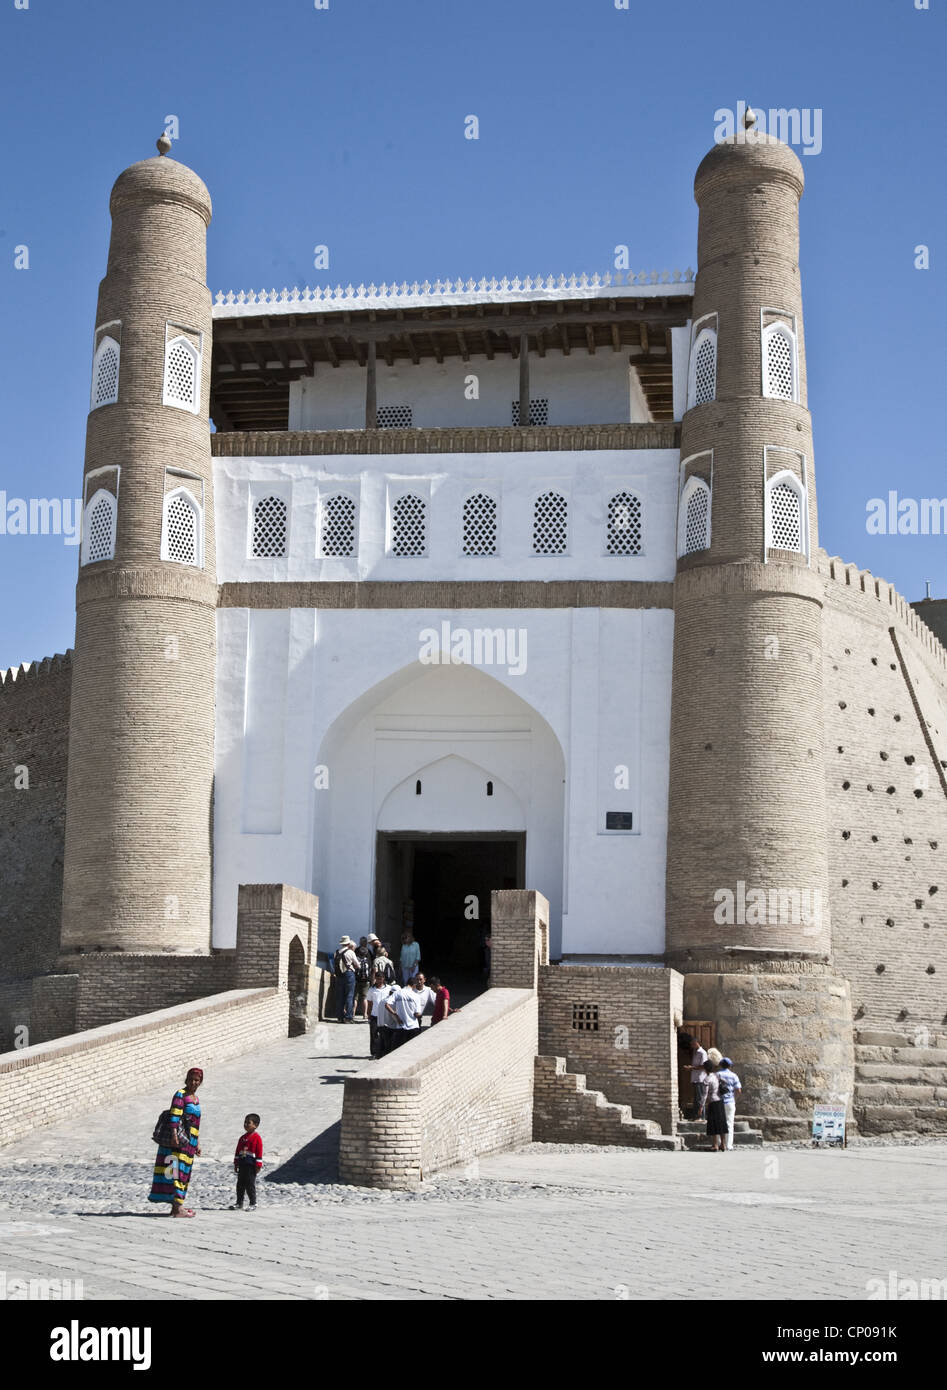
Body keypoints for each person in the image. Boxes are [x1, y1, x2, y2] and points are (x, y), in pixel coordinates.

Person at [149, 1066, 203, 1217]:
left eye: (197, 1080)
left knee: (184, 1174)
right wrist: (174, 1136)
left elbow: (196, 1123)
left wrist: (197, 1143)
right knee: (175, 1173)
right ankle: (178, 1208)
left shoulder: (196, 1099)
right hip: (178, 1142)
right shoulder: (180, 1094)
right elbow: (175, 1115)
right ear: (186, 1079)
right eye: (191, 1079)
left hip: (190, 1144)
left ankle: (176, 1207)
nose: (194, 1083)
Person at [231, 1113, 263, 1211]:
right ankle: (239, 1202)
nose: (245, 1125)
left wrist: (258, 1165)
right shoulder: (242, 1138)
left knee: (250, 1185)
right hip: (242, 1164)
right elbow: (237, 1151)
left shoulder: (257, 1138)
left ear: (255, 1125)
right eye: (245, 1122)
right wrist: (236, 1163)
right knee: (240, 1184)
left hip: (251, 1165)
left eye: (248, 1123)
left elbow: (259, 1152)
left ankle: (253, 1203)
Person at [698, 1060, 727, 1152]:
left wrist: (701, 1106)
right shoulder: (716, 1076)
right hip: (720, 1101)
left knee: (713, 1123)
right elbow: (725, 1082)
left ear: (705, 1069)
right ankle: (723, 1144)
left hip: (713, 1103)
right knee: (721, 1122)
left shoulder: (707, 1079)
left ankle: (715, 1145)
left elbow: (704, 1094)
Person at [716, 1057, 743, 1151]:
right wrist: (734, 1098)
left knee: (719, 1123)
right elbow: (738, 1090)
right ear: (730, 1066)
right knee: (729, 1123)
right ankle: (728, 1145)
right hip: (730, 1102)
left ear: (720, 1065)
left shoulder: (717, 1074)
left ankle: (720, 1143)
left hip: (719, 1102)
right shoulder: (734, 1076)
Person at [367, 968, 395, 1058]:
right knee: (374, 1034)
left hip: (385, 1015)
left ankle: (384, 1051)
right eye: (377, 978)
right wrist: (369, 1015)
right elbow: (370, 1003)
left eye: (381, 978)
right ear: (375, 978)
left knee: (385, 1034)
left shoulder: (389, 989)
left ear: (384, 978)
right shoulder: (372, 990)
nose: (379, 980)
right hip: (375, 1015)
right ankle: (374, 1053)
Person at [385, 979, 422, 1046]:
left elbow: (387, 1005)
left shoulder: (397, 993)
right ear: (414, 985)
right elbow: (417, 1013)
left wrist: (395, 1015)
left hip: (400, 1027)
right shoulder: (416, 996)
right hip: (413, 1026)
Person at [683, 1033, 708, 1120]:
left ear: (697, 1043)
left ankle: (701, 1117)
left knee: (700, 1099)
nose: (692, 1045)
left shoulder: (702, 1053)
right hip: (695, 1079)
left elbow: (703, 1066)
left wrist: (691, 1068)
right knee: (696, 1098)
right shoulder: (695, 1052)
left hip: (700, 1079)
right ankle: (696, 1116)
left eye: (693, 1044)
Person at [334, 935, 358, 1023]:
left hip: (339, 975)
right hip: (349, 974)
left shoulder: (336, 952)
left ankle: (340, 1017)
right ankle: (348, 1017)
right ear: (348, 943)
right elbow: (357, 964)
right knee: (349, 995)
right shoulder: (350, 952)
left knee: (340, 996)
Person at [355, 936, 374, 1020]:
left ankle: (352, 1014)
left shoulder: (356, 951)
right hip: (366, 979)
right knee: (364, 997)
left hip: (356, 978)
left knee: (355, 997)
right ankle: (365, 1014)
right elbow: (372, 965)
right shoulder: (369, 951)